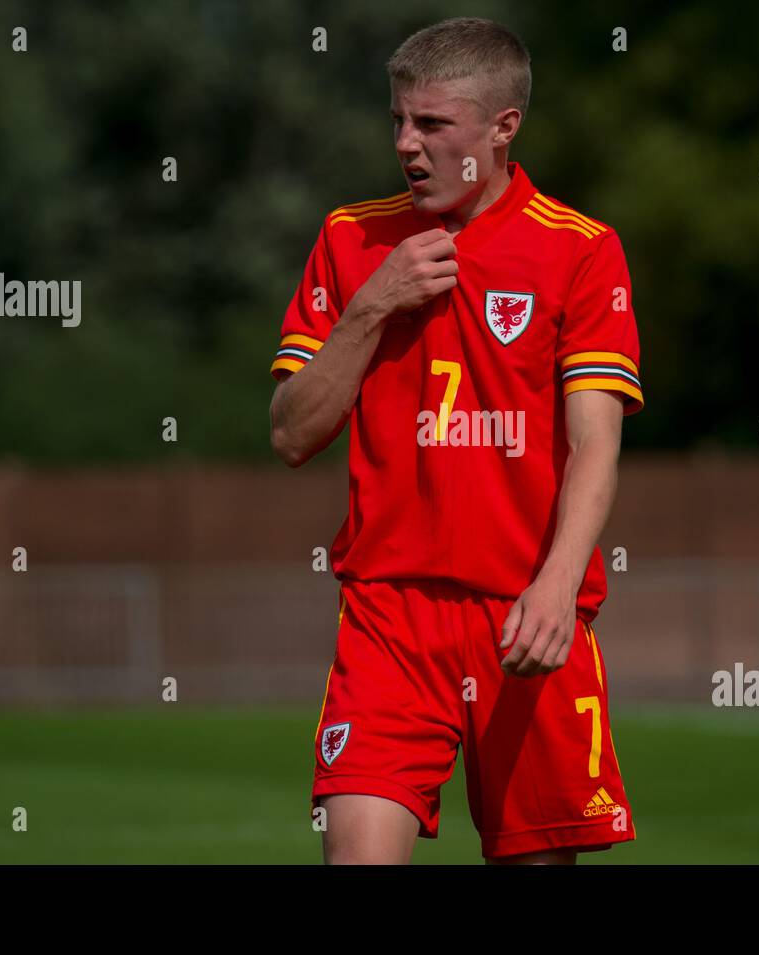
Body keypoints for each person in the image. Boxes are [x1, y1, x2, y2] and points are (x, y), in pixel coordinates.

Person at [269, 17, 642, 864]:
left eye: (432, 124)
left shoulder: (581, 251)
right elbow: (292, 432)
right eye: (399, 120)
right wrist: (373, 303)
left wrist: (554, 590)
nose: (407, 144)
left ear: (502, 127)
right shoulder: (350, 239)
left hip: (525, 617)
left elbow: (596, 446)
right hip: (387, 617)